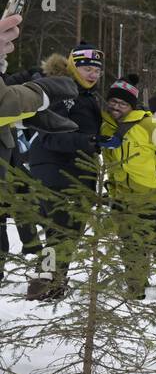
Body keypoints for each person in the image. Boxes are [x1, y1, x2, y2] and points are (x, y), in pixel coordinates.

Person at [24, 41, 107, 300]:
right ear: (73, 66)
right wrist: (89, 142)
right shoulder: (60, 90)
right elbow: (49, 135)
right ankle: (43, 286)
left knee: (66, 233)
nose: (93, 74)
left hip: (77, 172)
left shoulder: (86, 96)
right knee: (60, 232)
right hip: (55, 171)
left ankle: (52, 283)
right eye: (87, 69)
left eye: (97, 70)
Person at [1, 15, 79, 286]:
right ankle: (40, 262)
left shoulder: (83, 99)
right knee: (43, 219)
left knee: (43, 219)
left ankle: (39, 257)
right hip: (37, 164)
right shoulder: (38, 85)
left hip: (30, 163)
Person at [98, 76, 156, 298]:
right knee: (131, 247)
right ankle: (135, 289)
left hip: (155, 197)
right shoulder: (105, 126)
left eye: (123, 103)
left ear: (132, 106)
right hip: (123, 200)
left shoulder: (150, 125)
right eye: (113, 102)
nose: (116, 106)